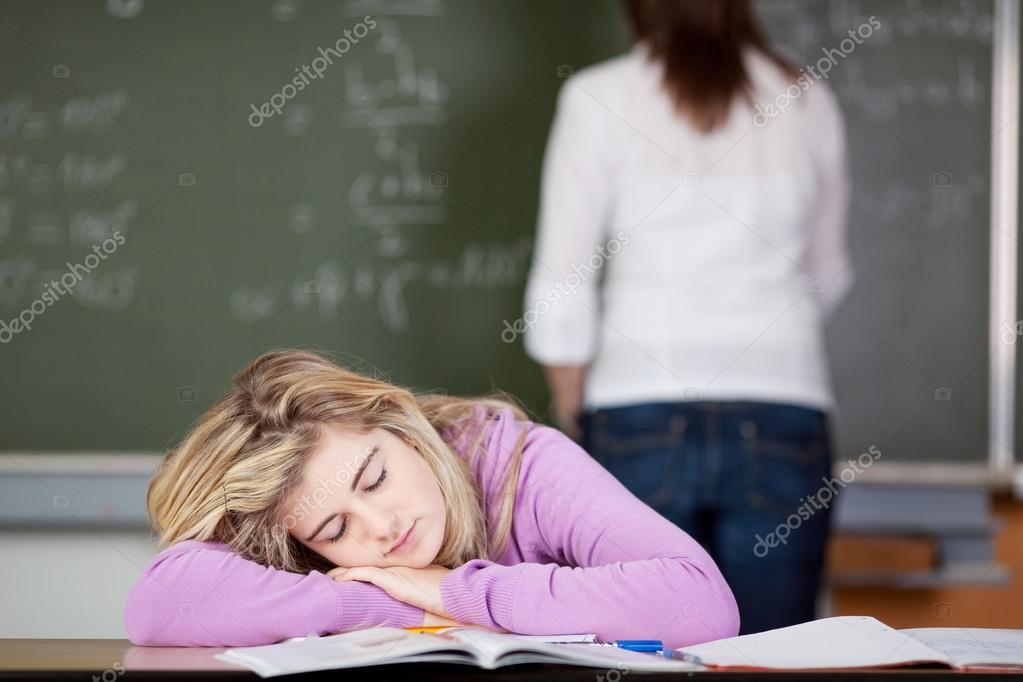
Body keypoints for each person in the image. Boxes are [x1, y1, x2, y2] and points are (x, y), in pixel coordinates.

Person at [523, 0, 851, 634]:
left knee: (640, 647)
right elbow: (829, 273)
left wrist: (577, 410)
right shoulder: (806, 100)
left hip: (635, 404)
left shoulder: (597, 96)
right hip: (783, 405)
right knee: (776, 654)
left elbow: (562, 283)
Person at [123, 349, 739, 647]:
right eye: (335, 531)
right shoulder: (288, 512)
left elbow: (698, 604)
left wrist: (454, 592)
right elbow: (158, 603)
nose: (381, 527)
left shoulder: (522, 462)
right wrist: (393, 608)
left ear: (400, 425)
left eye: (375, 479)